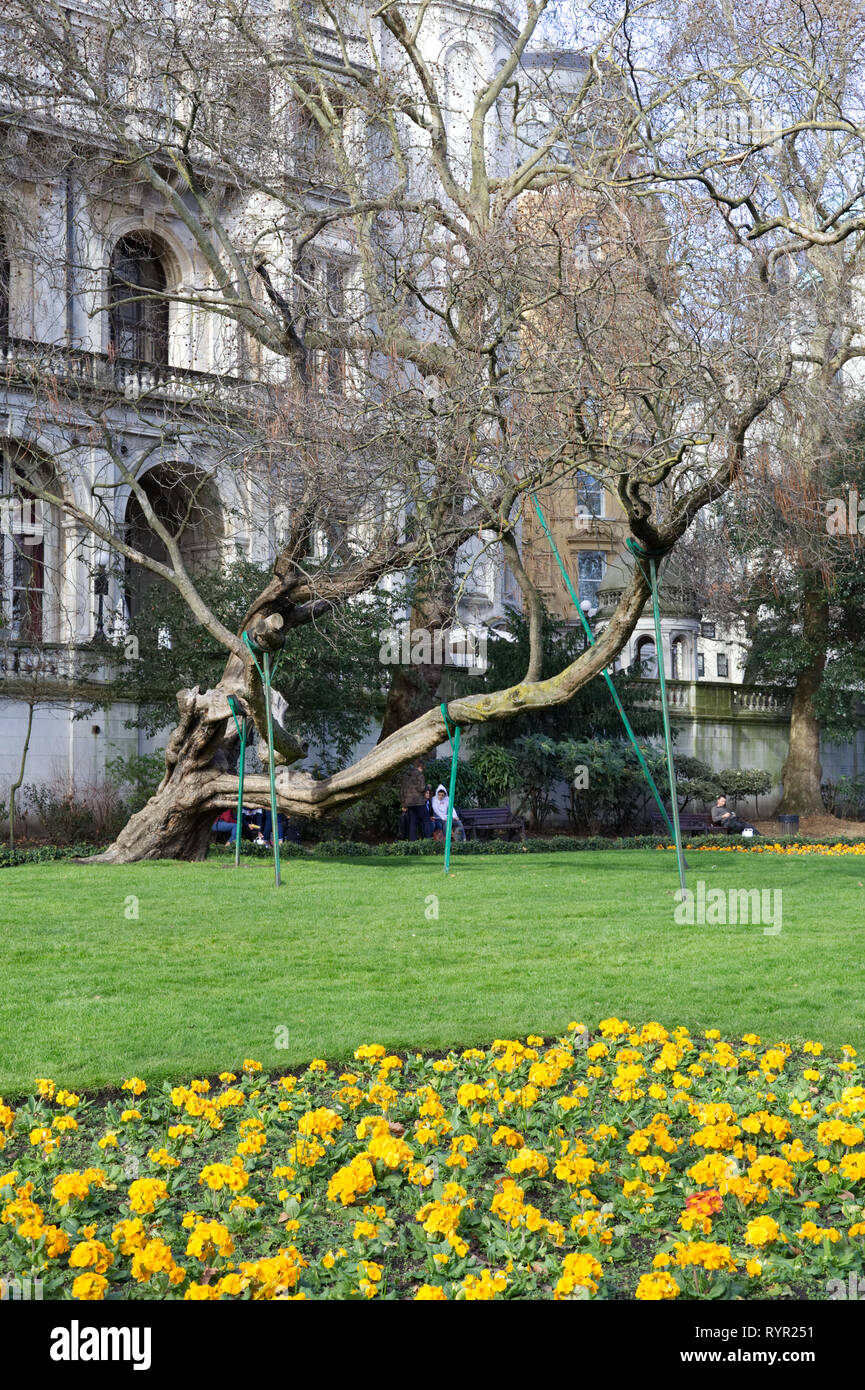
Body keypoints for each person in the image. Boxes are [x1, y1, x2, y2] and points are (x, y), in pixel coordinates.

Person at [399, 759, 431, 841]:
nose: (423, 769)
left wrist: (403, 804)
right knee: (426, 820)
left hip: (409, 803)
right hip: (419, 802)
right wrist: (428, 787)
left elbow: (402, 790)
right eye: (423, 768)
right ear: (420, 766)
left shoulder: (406, 776)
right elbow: (421, 788)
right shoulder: (419, 775)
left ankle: (412, 842)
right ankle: (428, 840)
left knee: (412, 823)